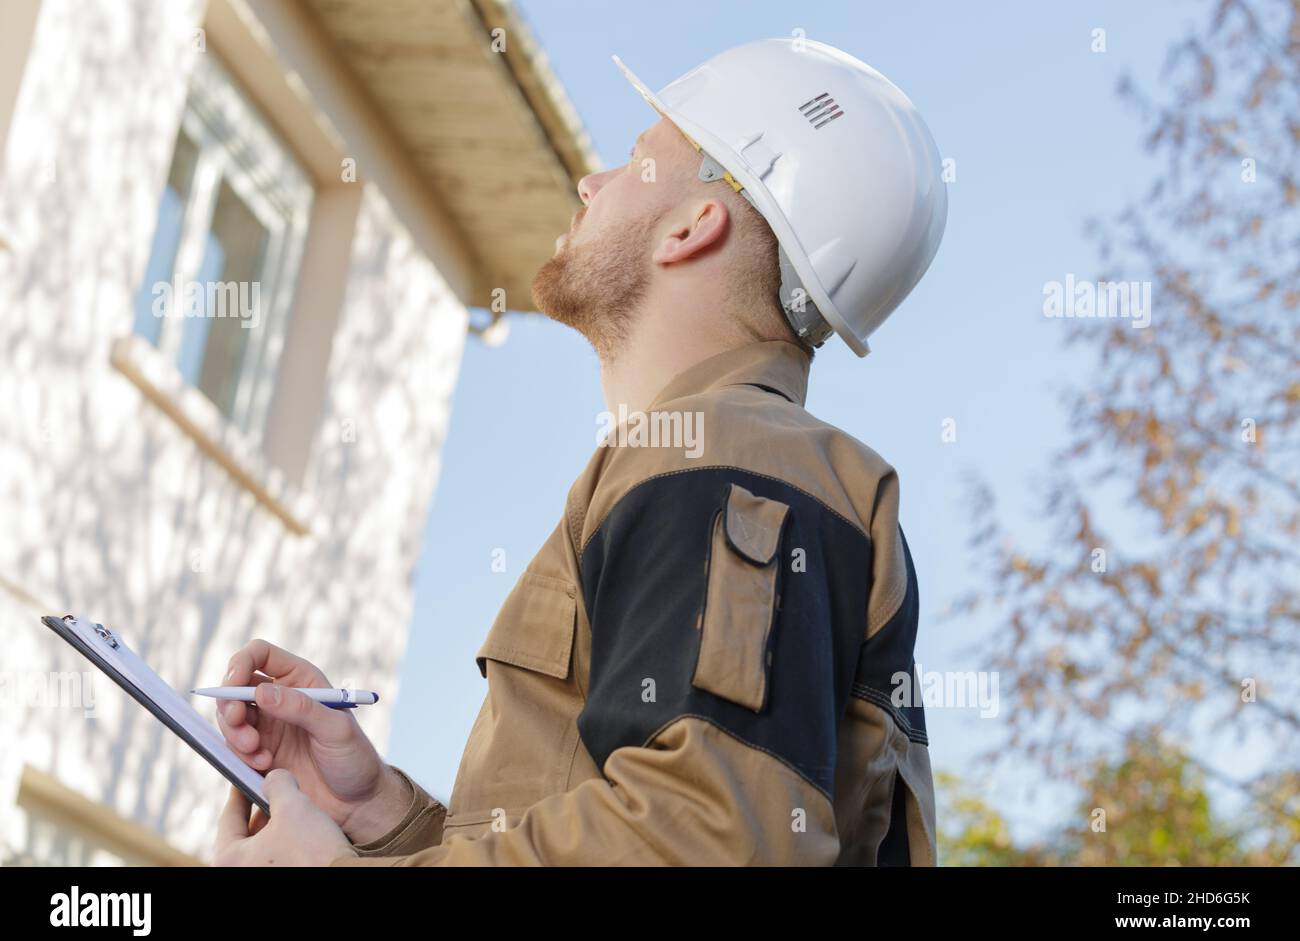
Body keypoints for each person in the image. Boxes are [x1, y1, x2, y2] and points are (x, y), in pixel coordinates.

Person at [213, 36, 947, 866]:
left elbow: (706, 839)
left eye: (636, 162)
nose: (587, 183)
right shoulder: (715, 457)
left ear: (693, 226)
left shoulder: (723, 455)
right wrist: (377, 813)